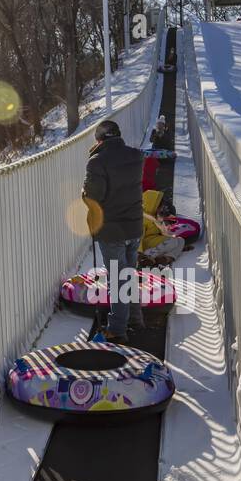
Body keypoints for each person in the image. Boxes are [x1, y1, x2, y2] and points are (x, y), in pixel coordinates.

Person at [82, 118, 144, 342]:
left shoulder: (97, 162)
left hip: (112, 231)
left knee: (117, 280)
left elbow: (92, 197)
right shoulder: (136, 155)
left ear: (99, 139)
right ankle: (135, 318)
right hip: (134, 226)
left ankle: (117, 330)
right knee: (129, 274)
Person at [138, 188, 185, 265]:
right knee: (173, 242)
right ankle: (148, 257)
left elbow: (163, 233)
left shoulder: (155, 216)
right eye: (159, 205)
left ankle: (166, 258)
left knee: (180, 240)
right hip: (145, 244)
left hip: (153, 240)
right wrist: (139, 252)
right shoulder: (143, 218)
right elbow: (139, 237)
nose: (161, 207)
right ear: (152, 204)